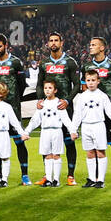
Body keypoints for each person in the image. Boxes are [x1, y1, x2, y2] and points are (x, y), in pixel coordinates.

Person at [0, 33, 32, 185]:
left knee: (19, 141)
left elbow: (22, 84)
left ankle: (24, 175)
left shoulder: (16, 62)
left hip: (13, 108)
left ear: (6, 46)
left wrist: (15, 100)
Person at [36, 32, 80, 184]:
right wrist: (40, 100)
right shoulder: (44, 63)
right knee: (47, 142)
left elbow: (77, 85)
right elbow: (39, 84)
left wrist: (67, 100)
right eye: (51, 41)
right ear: (48, 44)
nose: (53, 43)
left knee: (69, 142)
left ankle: (70, 175)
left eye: (56, 40)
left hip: (65, 107)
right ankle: (48, 176)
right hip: (48, 108)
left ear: (62, 43)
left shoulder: (70, 62)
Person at [72, 68, 111, 188]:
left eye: (93, 80)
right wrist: (73, 129)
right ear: (85, 81)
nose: (90, 82)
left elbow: (110, 112)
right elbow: (77, 114)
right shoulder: (82, 97)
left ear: (98, 81)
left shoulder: (103, 96)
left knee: (100, 152)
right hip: (86, 126)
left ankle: (100, 180)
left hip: (99, 125)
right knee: (90, 153)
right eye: (88, 80)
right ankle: (91, 178)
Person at [84, 36, 111, 187]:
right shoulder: (87, 66)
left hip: (110, 113)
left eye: (94, 45)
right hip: (93, 113)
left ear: (102, 48)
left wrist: (110, 102)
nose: (90, 47)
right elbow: (84, 88)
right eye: (90, 45)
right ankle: (95, 177)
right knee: (94, 147)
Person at [24, 78, 74, 187]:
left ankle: (56, 180)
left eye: (50, 88)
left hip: (56, 131)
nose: (47, 90)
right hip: (45, 132)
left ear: (55, 90)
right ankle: (49, 179)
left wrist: (72, 131)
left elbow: (66, 120)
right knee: (47, 156)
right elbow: (35, 120)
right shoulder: (42, 104)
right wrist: (27, 131)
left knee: (56, 155)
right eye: (45, 88)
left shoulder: (59, 103)